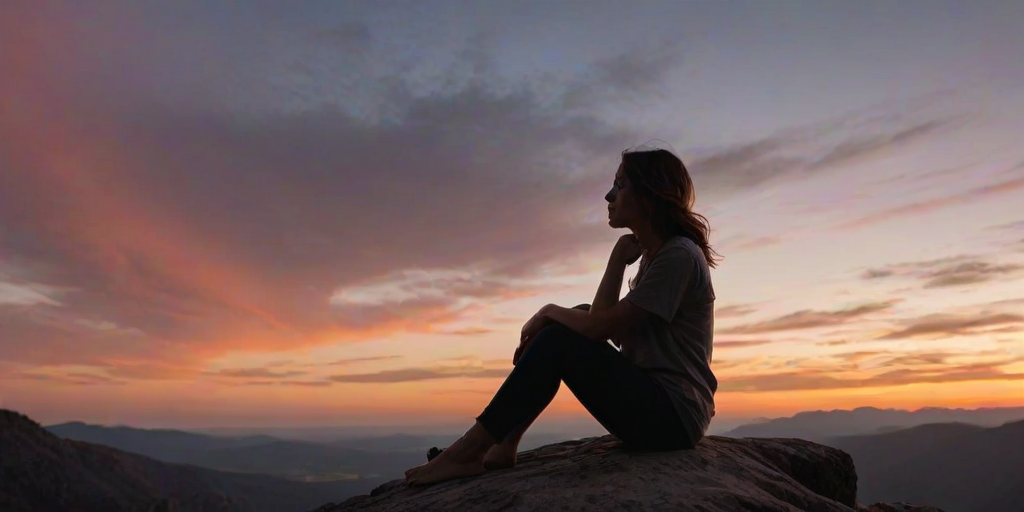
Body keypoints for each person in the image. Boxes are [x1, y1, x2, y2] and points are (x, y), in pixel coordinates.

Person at [404, 147, 719, 486]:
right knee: (572, 319)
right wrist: (616, 260)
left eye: (620, 185)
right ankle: (504, 444)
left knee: (559, 337)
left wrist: (547, 311)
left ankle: (468, 453)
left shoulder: (678, 256)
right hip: (659, 407)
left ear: (649, 194)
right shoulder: (658, 257)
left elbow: (598, 328)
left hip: (672, 417)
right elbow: (600, 322)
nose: (609, 195)